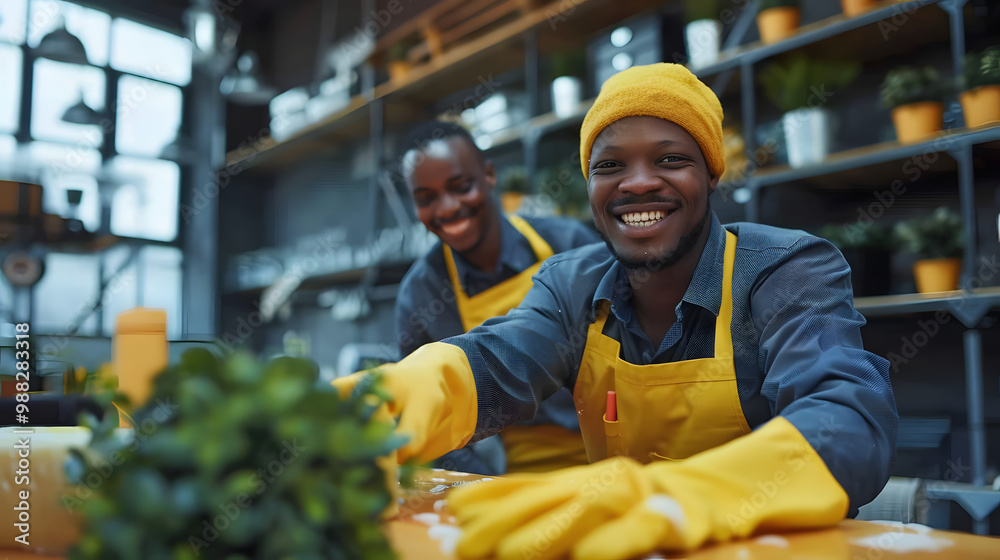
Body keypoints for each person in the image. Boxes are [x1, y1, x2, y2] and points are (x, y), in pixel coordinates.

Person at [338, 64, 897, 560]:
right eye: (610, 166)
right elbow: (494, 363)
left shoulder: (783, 269)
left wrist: (681, 497)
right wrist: (394, 398)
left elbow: (850, 420)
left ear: (712, 173)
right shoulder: (572, 286)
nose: (638, 183)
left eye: (670, 159)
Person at [394, 121, 601, 475]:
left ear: (489, 175)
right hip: (513, 476)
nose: (446, 208)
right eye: (426, 198)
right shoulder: (422, 295)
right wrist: (485, 485)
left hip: (609, 453)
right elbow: (430, 419)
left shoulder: (568, 245)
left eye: (460, 187)